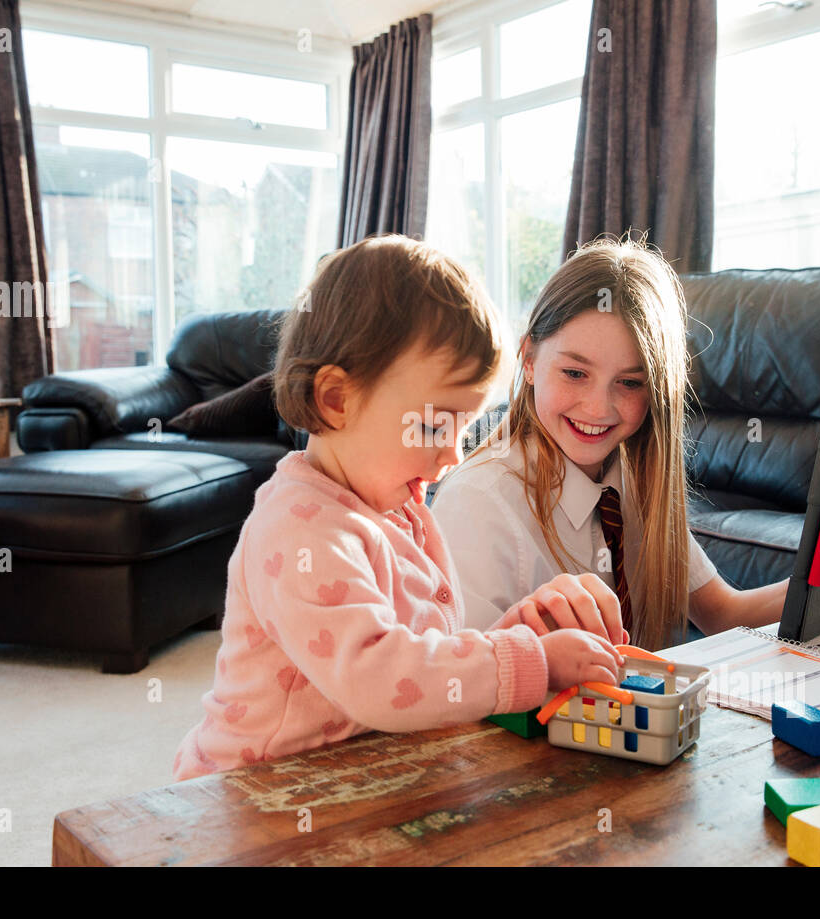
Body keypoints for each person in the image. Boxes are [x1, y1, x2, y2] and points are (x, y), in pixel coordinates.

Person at [172, 235, 630, 781]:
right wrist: (534, 663)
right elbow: (379, 677)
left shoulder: (397, 508)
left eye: (464, 426)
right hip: (252, 801)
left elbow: (424, 652)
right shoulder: (300, 529)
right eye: (436, 425)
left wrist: (514, 637)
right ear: (336, 400)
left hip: (353, 781)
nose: (452, 453)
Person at [432, 237, 820, 650]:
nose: (598, 409)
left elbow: (722, 614)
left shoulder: (635, 482)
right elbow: (463, 683)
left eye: (630, 384)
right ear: (529, 359)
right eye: (575, 373)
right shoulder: (477, 501)